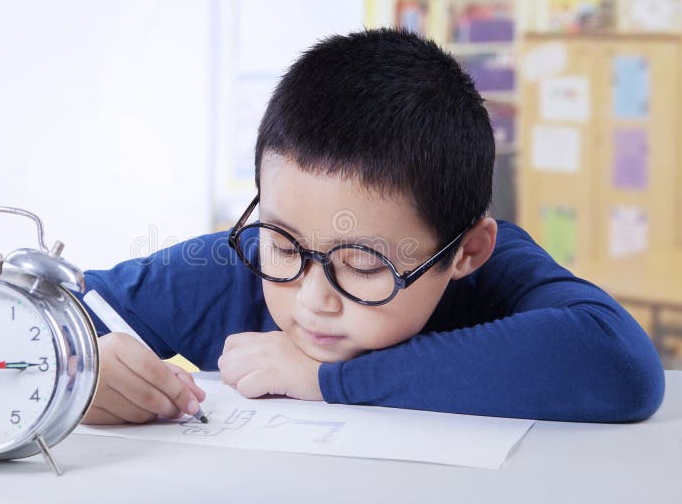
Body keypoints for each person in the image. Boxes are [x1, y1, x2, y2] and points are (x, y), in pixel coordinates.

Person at [79, 28, 664, 426]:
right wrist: (78, 372)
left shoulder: (495, 268)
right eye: (283, 245)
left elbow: (620, 365)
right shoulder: (229, 266)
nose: (311, 300)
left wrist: (327, 378)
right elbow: (37, 315)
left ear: (466, 251)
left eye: (363, 264)